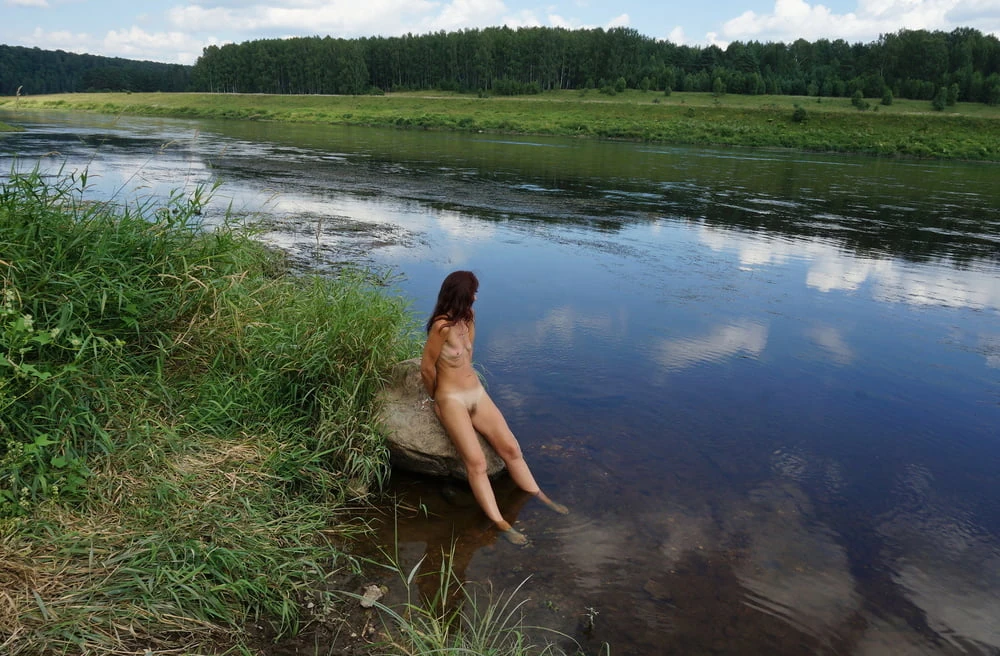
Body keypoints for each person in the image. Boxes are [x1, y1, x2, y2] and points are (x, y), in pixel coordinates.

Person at [420, 270, 568, 545]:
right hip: (452, 399)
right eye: (472, 292)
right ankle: (500, 522)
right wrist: (436, 399)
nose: (476, 297)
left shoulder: (469, 318)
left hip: (476, 393)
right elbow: (427, 368)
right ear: (460, 295)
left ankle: (540, 496)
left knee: (511, 448)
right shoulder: (441, 327)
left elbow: (467, 357)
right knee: (477, 462)